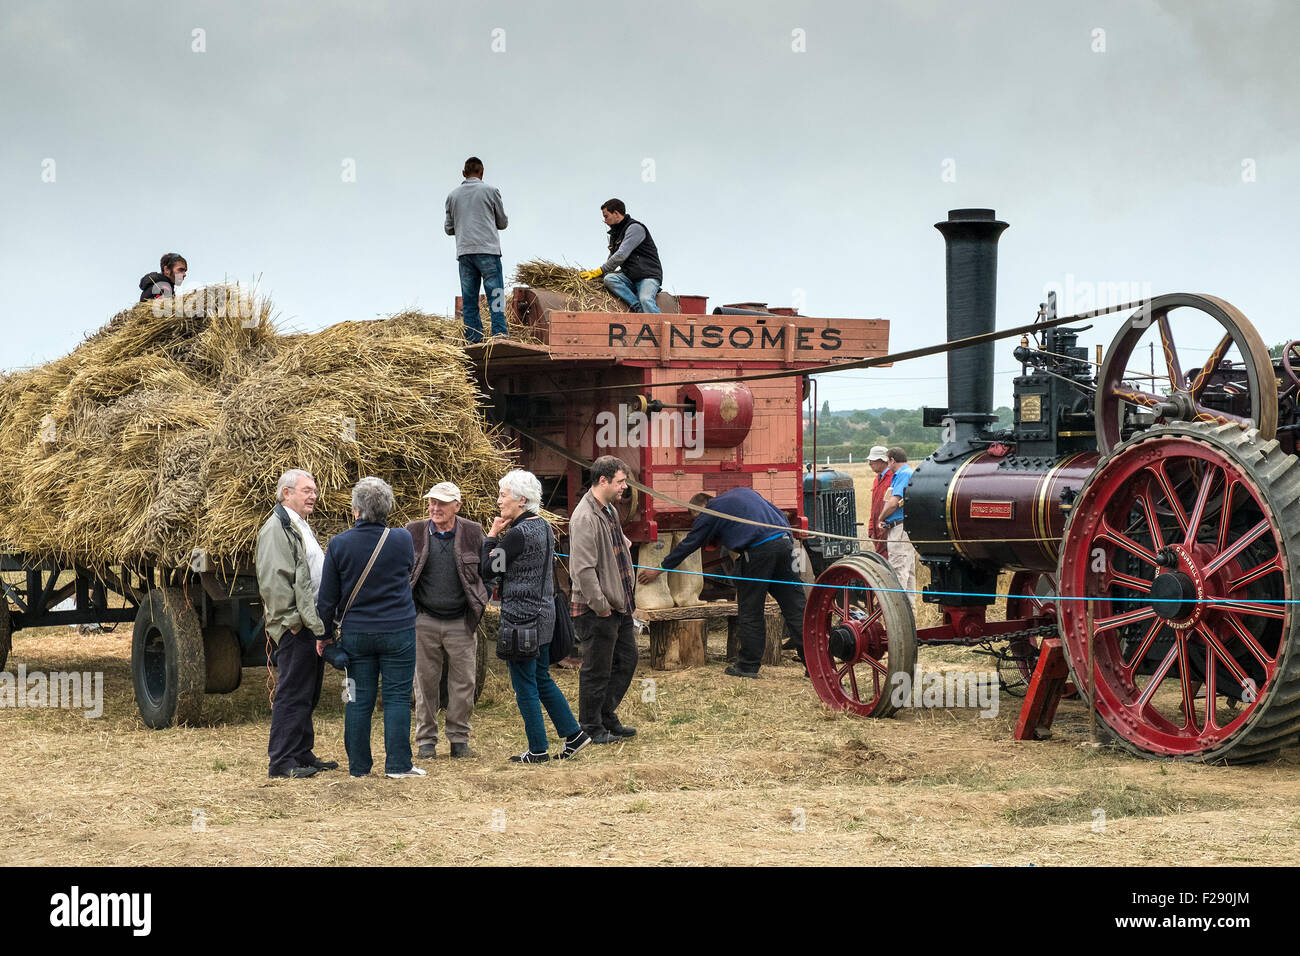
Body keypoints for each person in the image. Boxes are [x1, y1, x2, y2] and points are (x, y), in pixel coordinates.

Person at [317, 477, 423, 779]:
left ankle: (359, 768)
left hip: (356, 632)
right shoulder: (403, 539)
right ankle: (399, 765)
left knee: (357, 698)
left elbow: (327, 598)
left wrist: (324, 636)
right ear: (388, 507)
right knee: (398, 697)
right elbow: (407, 573)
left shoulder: (338, 544)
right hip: (398, 629)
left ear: (355, 510)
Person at [482, 470, 590, 763]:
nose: (498, 500)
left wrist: (491, 536)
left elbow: (490, 569)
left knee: (524, 685)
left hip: (521, 620)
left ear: (521, 499)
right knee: (541, 677)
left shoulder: (517, 534)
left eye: (503, 495)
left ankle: (538, 749)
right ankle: (574, 734)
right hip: (544, 616)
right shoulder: (542, 526)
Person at [639, 486, 805, 678]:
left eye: (695, 518)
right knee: (795, 607)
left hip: (757, 552)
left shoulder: (710, 510)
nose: (698, 522)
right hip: (785, 543)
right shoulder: (744, 493)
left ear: (700, 507)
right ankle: (814, 664)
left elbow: (689, 543)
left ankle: (747, 667)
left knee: (751, 610)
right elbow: (780, 515)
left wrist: (659, 568)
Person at [255, 469, 337, 779]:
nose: (313, 495)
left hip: (309, 623)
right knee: (292, 692)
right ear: (286, 493)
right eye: (306, 490)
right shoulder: (277, 528)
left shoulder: (297, 525)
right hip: (297, 625)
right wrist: (292, 622)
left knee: (308, 691)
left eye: (314, 490)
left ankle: (302, 753)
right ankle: (282, 762)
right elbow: (275, 580)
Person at [407, 481, 489, 760]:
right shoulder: (413, 531)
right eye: (432, 502)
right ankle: (426, 741)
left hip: (461, 621)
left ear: (457, 506)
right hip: (424, 619)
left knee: (464, 682)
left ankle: (458, 739)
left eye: (442, 503)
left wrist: (481, 599)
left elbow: (488, 571)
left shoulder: (473, 532)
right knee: (424, 682)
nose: (435, 508)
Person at [568, 456, 639, 742]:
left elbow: (613, 545)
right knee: (596, 670)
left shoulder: (608, 509)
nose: (624, 487)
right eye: (620, 481)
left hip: (618, 605)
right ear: (603, 481)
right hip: (597, 609)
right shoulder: (584, 517)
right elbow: (583, 570)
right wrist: (600, 606)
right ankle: (591, 727)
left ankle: (606, 715)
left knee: (627, 660)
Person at [445, 156, 509, 343]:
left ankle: (473, 338)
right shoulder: (491, 191)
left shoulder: (452, 196)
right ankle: (499, 334)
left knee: (470, 298)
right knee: (495, 294)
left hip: (465, 252)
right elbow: (503, 223)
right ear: (482, 172)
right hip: (488, 250)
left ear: (464, 173)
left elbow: (449, 229)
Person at [577, 199, 663, 314]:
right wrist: (602, 275)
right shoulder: (615, 234)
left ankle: (664, 329)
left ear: (616, 213)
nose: (605, 221)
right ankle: (638, 308)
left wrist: (599, 271)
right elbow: (612, 257)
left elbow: (621, 255)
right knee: (609, 279)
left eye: (606, 216)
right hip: (630, 277)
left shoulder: (635, 228)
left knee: (646, 299)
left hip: (647, 276)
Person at [879, 447, 917, 605]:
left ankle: (899, 613)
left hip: (899, 528)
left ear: (892, 460)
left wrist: (881, 518)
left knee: (898, 571)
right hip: (904, 527)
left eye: (888, 461)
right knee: (908, 572)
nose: (887, 464)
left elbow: (894, 503)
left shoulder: (903, 475)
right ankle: (909, 615)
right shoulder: (907, 473)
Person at [865, 445, 894, 556]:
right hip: (877, 529)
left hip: (887, 528)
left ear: (883, 461)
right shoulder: (877, 479)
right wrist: (871, 528)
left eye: (872, 460)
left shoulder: (893, 477)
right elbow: (874, 506)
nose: (869, 463)